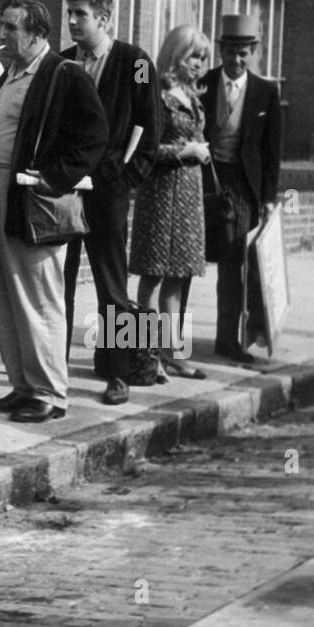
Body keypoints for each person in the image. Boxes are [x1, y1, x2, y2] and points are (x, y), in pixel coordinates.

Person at [0, 0, 108, 422]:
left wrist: (54, 177)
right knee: (2, 292)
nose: (1, 35)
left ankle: (50, 393)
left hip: (28, 195)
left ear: (37, 33)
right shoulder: (10, 74)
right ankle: (22, 385)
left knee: (38, 296)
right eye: (2, 26)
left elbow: (95, 134)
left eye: (10, 27)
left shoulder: (63, 74)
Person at [60, 0, 161, 405]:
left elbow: (152, 130)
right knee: (57, 282)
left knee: (112, 285)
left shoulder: (134, 61)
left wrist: (125, 181)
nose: (70, 21)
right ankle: (52, 369)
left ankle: (119, 374)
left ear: (103, 18)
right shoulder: (62, 63)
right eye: (69, 13)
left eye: (79, 14)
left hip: (108, 193)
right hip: (64, 191)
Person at [129, 26, 212, 379]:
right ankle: (148, 357)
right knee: (153, 277)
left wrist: (201, 149)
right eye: (194, 56)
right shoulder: (159, 97)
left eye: (203, 58)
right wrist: (185, 152)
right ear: (176, 55)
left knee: (178, 277)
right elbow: (144, 150)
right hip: (161, 195)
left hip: (189, 197)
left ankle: (174, 353)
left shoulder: (192, 97)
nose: (199, 64)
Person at [202, 14, 282, 365]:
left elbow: (272, 152)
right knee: (187, 262)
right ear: (220, 51)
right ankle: (170, 342)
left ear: (254, 53)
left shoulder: (266, 93)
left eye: (243, 53)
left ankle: (227, 339)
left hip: (242, 188)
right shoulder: (202, 84)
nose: (236, 60)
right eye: (230, 52)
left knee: (233, 266)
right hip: (204, 183)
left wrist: (267, 199)